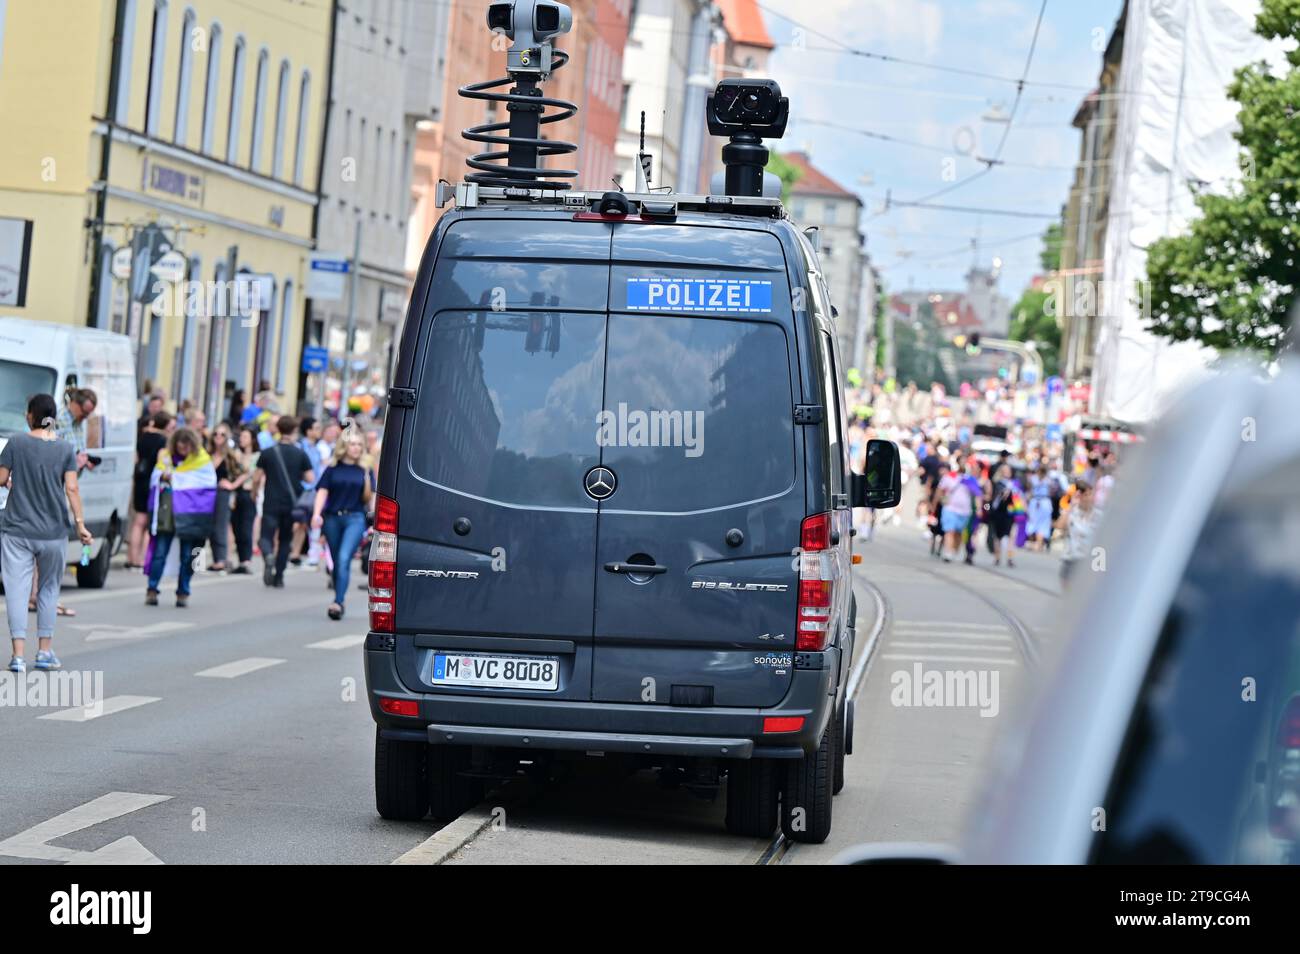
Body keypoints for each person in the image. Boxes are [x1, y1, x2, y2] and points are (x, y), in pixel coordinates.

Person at [0, 393, 94, 673]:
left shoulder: (16, 442)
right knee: (49, 590)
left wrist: (11, 484)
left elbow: (1, 479)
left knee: (17, 592)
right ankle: (44, 651)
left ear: (30, 415)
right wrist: (80, 524)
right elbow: (72, 489)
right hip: (53, 532)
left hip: (17, 529)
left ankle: (17, 656)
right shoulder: (64, 448)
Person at [145, 428, 217, 607]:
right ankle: (152, 589)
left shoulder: (202, 460)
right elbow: (154, 480)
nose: (183, 448)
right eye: (180, 444)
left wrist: (177, 480)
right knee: (160, 553)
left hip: (190, 516)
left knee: (188, 555)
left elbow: (207, 485)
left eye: (187, 445)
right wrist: (163, 476)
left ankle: (183, 591)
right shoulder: (166, 458)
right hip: (167, 514)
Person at [311, 426, 374, 620]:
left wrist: (374, 519)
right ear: (343, 446)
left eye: (359, 445)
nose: (356, 448)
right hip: (332, 519)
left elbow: (372, 495)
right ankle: (339, 595)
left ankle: (338, 601)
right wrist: (316, 514)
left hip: (355, 519)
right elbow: (322, 491)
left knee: (345, 557)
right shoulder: (332, 469)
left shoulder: (365, 470)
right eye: (352, 444)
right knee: (338, 561)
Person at [253, 416, 315, 587]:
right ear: (294, 430)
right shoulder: (300, 453)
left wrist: (254, 493)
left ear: (278, 430)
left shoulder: (268, 453)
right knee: (285, 539)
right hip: (291, 503)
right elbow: (310, 478)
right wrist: (298, 474)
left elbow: (257, 477)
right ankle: (279, 577)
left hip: (271, 500)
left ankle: (267, 555)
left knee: (266, 536)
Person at [129, 411, 171, 568]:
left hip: (140, 479)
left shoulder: (142, 437)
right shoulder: (163, 441)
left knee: (138, 521)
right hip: (153, 483)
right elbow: (162, 462)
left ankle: (132, 558)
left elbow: (135, 458)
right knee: (149, 524)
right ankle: (144, 560)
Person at [1056, 477, 1102, 585]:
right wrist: (1071, 505)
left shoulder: (1099, 515)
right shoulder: (1072, 512)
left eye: (1091, 494)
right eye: (1086, 495)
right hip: (1071, 559)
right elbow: (1060, 526)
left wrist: (1101, 567)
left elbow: (1103, 541)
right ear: (1079, 496)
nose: (1090, 498)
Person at [228, 426, 259, 574]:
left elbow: (251, 474)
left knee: (246, 527)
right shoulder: (235, 454)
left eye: (245, 437)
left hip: (249, 493)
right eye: (241, 437)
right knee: (236, 527)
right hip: (235, 494)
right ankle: (240, 560)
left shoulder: (257, 456)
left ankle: (246, 560)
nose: (242, 440)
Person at [207, 424, 236, 572]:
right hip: (204, 493)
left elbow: (246, 471)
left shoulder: (230, 455)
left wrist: (232, 484)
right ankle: (196, 562)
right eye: (216, 434)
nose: (218, 437)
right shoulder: (205, 454)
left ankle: (220, 560)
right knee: (202, 526)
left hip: (221, 493)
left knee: (220, 526)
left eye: (222, 434)